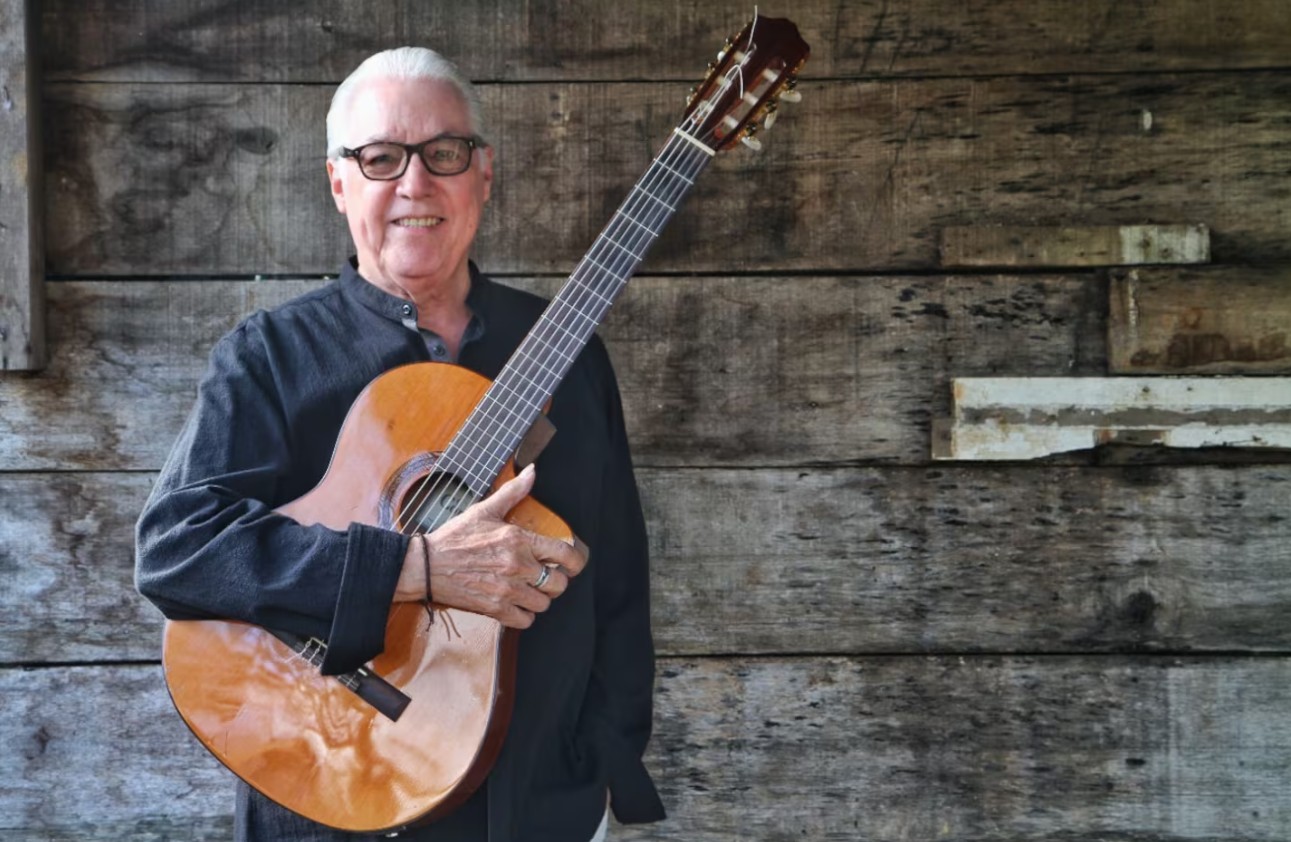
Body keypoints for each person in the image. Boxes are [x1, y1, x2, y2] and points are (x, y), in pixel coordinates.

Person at [135, 46, 664, 842]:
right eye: (381, 158)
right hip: (324, 799)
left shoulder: (565, 350)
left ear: (483, 173)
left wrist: (602, 766)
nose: (414, 183)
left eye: (443, 153)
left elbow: (617, 580)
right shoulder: (270, 356)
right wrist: (412, 569)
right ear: (338, 182)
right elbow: (177, 552)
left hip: (537, 805)